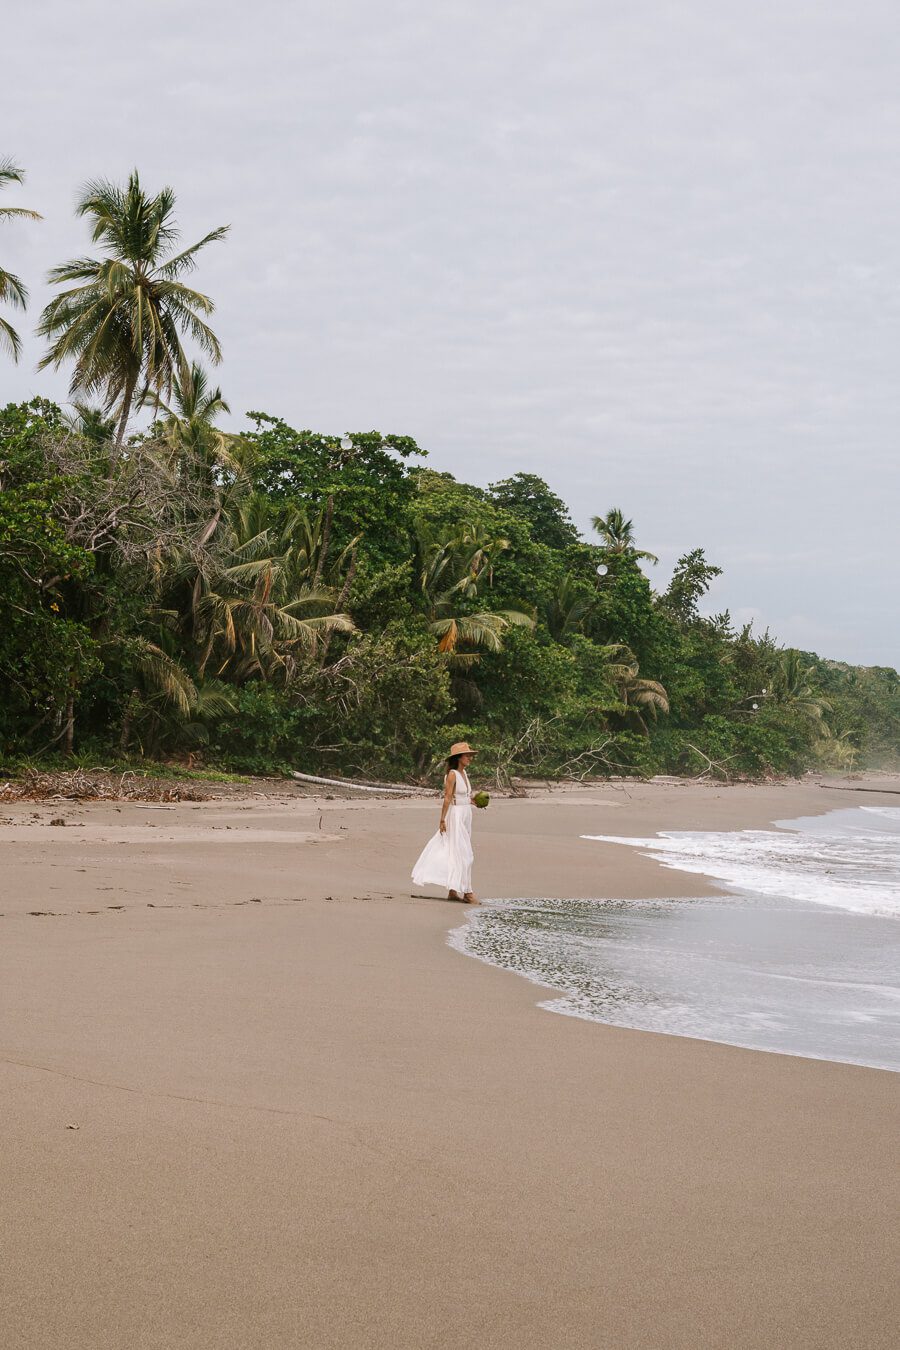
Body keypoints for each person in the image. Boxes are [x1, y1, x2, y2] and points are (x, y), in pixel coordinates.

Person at [411, 742, 478, 903]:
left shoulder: (465, 774)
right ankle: (468, 893)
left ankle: (453, 891)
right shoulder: (453, 774)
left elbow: (463, 796)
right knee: (465, 854)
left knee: (458, 851)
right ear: (458, 758)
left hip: (465, 815)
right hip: (454, 816)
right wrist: (442, 819)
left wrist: (474, 801)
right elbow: (448, 797)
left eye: (470, 755)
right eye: (467, 755)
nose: (470, 758)